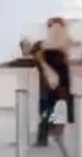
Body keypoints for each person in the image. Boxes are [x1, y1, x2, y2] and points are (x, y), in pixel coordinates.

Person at [32, 17, 75, 148]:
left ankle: (44, 136)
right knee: (59, 107)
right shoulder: (64, 43)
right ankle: (56, 132)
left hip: (50, 81)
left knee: (47, 106)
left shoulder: (45, 47)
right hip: (61, 81)